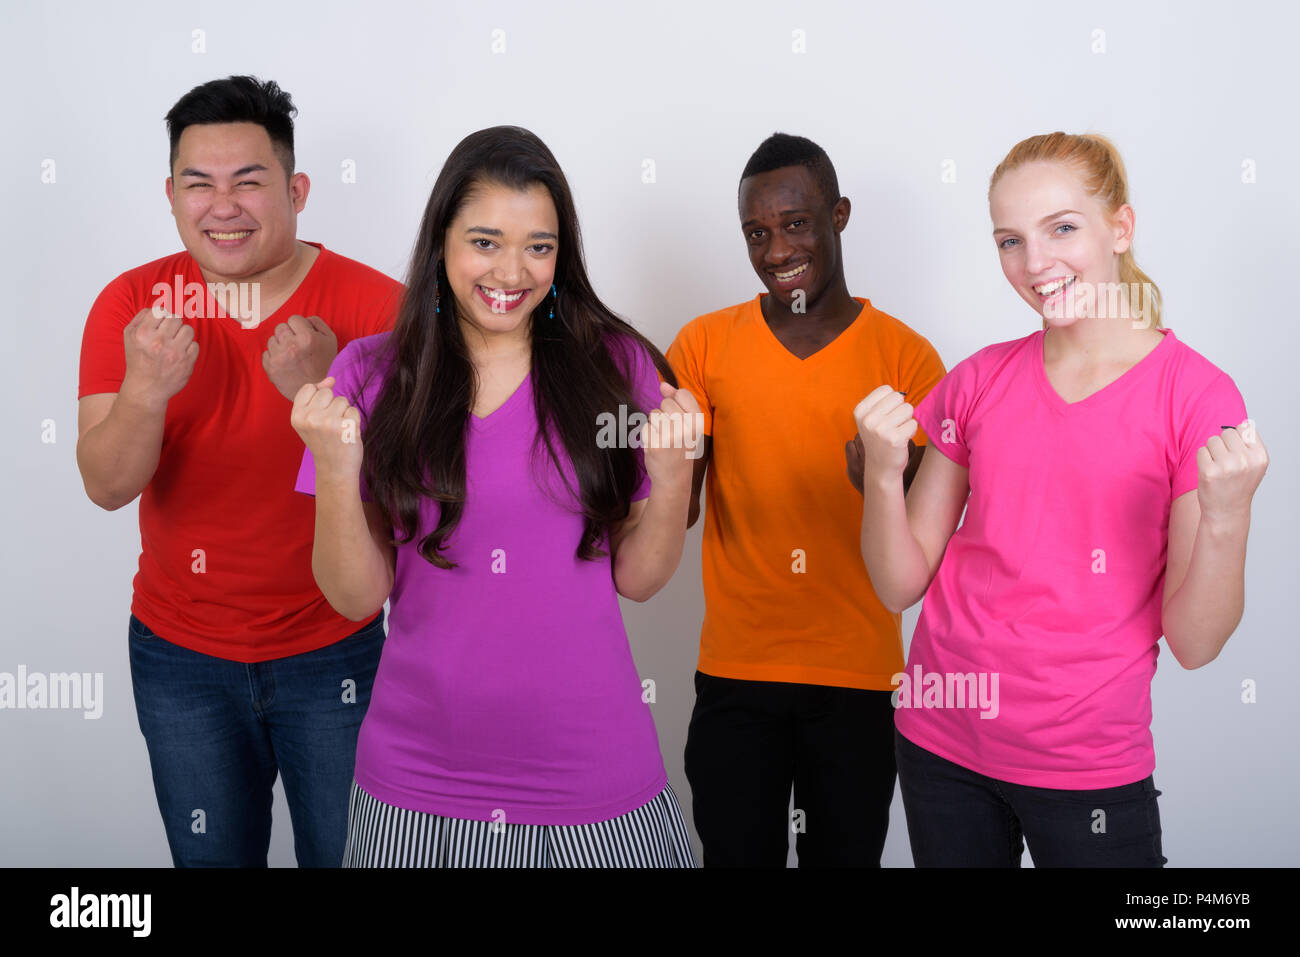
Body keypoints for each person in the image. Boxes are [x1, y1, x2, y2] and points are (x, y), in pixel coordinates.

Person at [855, 131, 1268, 867]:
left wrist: (1229, 518)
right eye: (1010, 240)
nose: (1035, 264)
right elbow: (898, 583)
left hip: (1088, 771)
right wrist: (885, 477)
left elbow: (1197, 643)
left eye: (1062, 228)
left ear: (1121, 227)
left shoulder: (1197, 397)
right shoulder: (977, 380)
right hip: (939, 739)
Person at [291, 125, 700, 867]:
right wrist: (336, 469)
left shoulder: (616, 368)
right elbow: (354, 596)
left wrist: (673, 478)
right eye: (485, 241)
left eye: (538, 246)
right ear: (441, 239)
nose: (512, 270)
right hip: (416, 782)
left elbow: (638, 579)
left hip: (594, 772)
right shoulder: (370, 374)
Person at [76, 75, 402, 867]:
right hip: (179, 653)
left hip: (337, 648)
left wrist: (329, 392)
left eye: (249, 181)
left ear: (295, 190)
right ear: (171, 193)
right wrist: (147, 389)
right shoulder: (129, 304)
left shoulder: (378, 306)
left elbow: (418, 499)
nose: (224, 205)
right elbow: (108, 485)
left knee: (349, 857)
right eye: (200, 183)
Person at [665, 133, 947, 866]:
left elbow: (925, 547)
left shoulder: (908, 358)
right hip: (737, 675)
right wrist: (659, 454)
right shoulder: (701, 344)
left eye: (795, 223)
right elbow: (678, 510)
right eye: (756, 233)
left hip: (857, 678)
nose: (776, 249)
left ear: (839, 215)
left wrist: (881, 483)